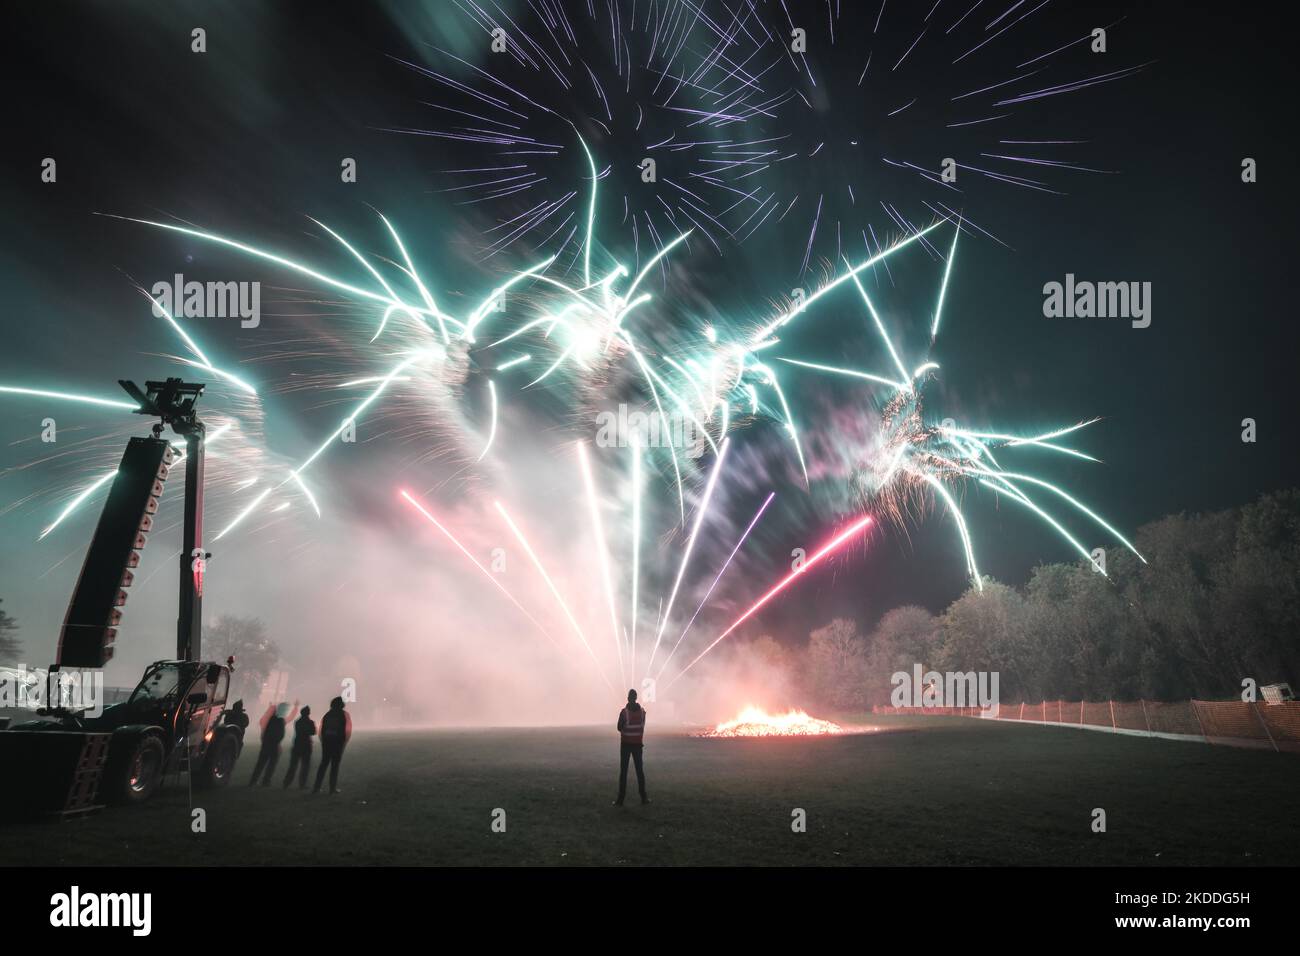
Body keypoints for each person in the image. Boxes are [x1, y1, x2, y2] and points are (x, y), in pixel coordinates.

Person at [614, 689, 649, 806]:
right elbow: (642, 725)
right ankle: (644, 798)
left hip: (626, 745)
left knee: (623, 772)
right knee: (640, 772)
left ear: (628, 698)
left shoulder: (624, 713)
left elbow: (619, 727)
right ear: (636, 698)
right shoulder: (643, 712)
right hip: (638, 745)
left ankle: (620, 799)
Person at [248, 701, 295, 787]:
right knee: (271, 765)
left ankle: (253, 781)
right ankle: (266, 781)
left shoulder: (271, 719)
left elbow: (265, 732)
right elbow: (280, 734)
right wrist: (278, 744)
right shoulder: (280, 721)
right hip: (274, 746)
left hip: (266, 745)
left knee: (260, 764)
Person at [313, 696, 351, 795]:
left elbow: (322, 730)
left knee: (323, 764)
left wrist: (323, 741)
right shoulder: (343, 715)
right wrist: (343, 742)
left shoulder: (327, 715)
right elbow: (345, 731)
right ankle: (332, 788)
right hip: (337, 743)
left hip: (327, 742)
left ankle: (316, 787)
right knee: (334, 766)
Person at [282, 705, 316, 789]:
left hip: (297, 745)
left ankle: (286, 783)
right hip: (306, 746)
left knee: (293, 765)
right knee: (305, 766)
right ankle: (302, 784)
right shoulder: (310, 722)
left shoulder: (297, 722)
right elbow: (313, 732)